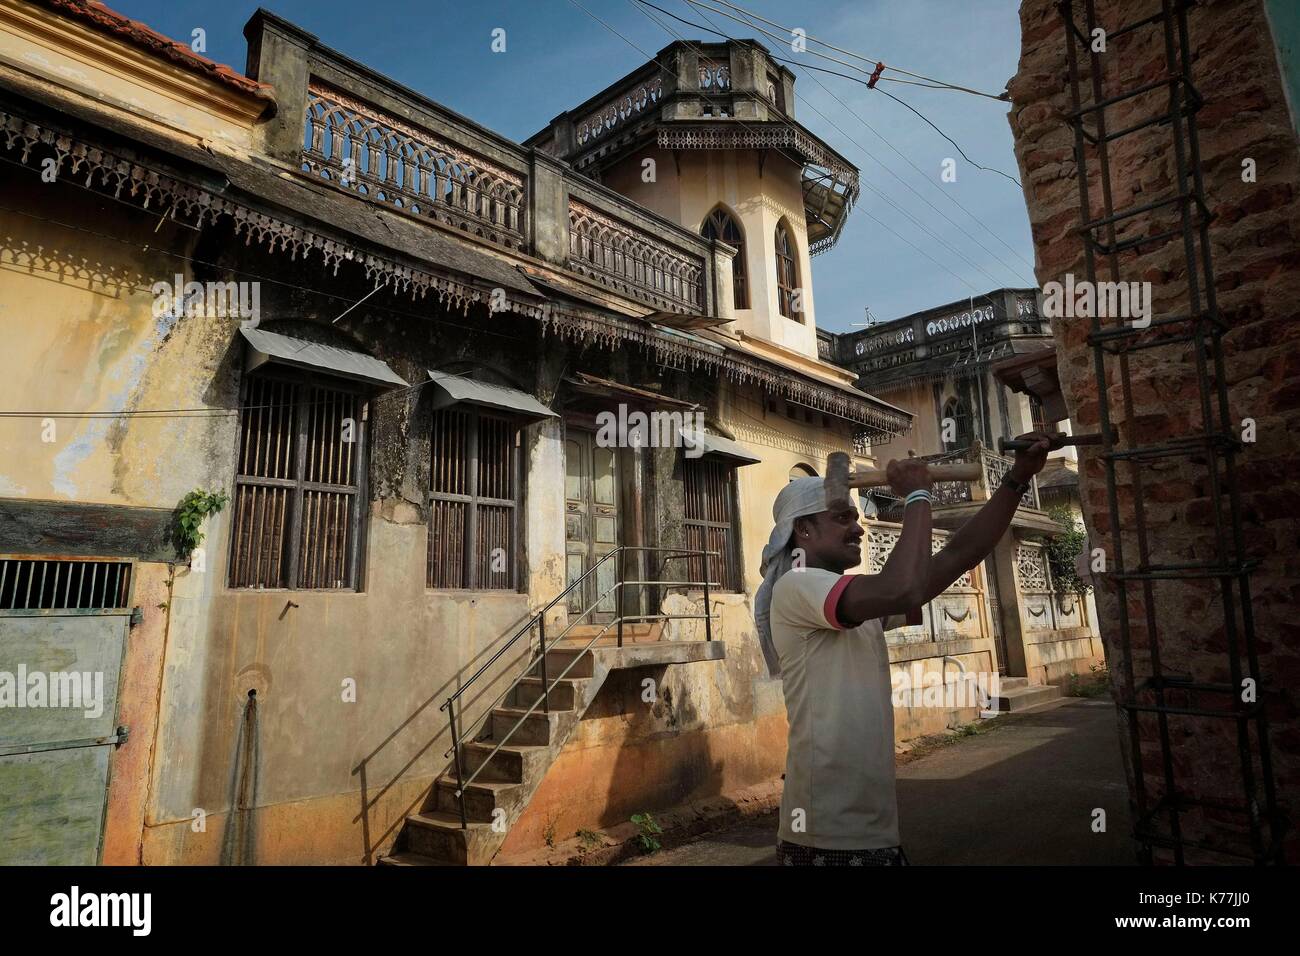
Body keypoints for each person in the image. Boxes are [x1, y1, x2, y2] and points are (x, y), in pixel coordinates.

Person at [754, 432, 1054, 866]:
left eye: (856, 517)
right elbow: (903, 587)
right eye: (841, 517)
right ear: (803, 529)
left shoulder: (854, 600)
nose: (857, 527)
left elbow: (957, 554)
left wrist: (1016, 480)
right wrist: (916, 494)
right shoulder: (797, 587)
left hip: (868, 831)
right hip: (828, 836)